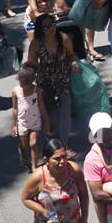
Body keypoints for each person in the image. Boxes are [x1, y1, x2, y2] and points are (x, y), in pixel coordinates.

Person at [25, 12, 77, 144]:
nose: (51, 28)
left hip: (62, 78)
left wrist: (73, 63)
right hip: (44, 81)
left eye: (52, 25)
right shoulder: (36, 44)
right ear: (40, 30)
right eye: (46, 27)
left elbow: (71, 55)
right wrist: (28, 82)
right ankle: (52, 144)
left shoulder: (63, 38)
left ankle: (64, 144)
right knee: (48, 113)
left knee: (65, 109)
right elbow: (31, 64)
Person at [11, 65, 50, 172]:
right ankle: (22, 151)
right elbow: (15, 109)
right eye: (20, 84)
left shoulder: (37, 91)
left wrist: (47, 121)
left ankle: (34, 164)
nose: (22, 87)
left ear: (31, 82)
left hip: (35, 121)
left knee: (33, 143)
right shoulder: (15, 92)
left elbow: (41, 106)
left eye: (25, 85)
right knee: (24, 145)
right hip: (22, 122)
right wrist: (14, 125)